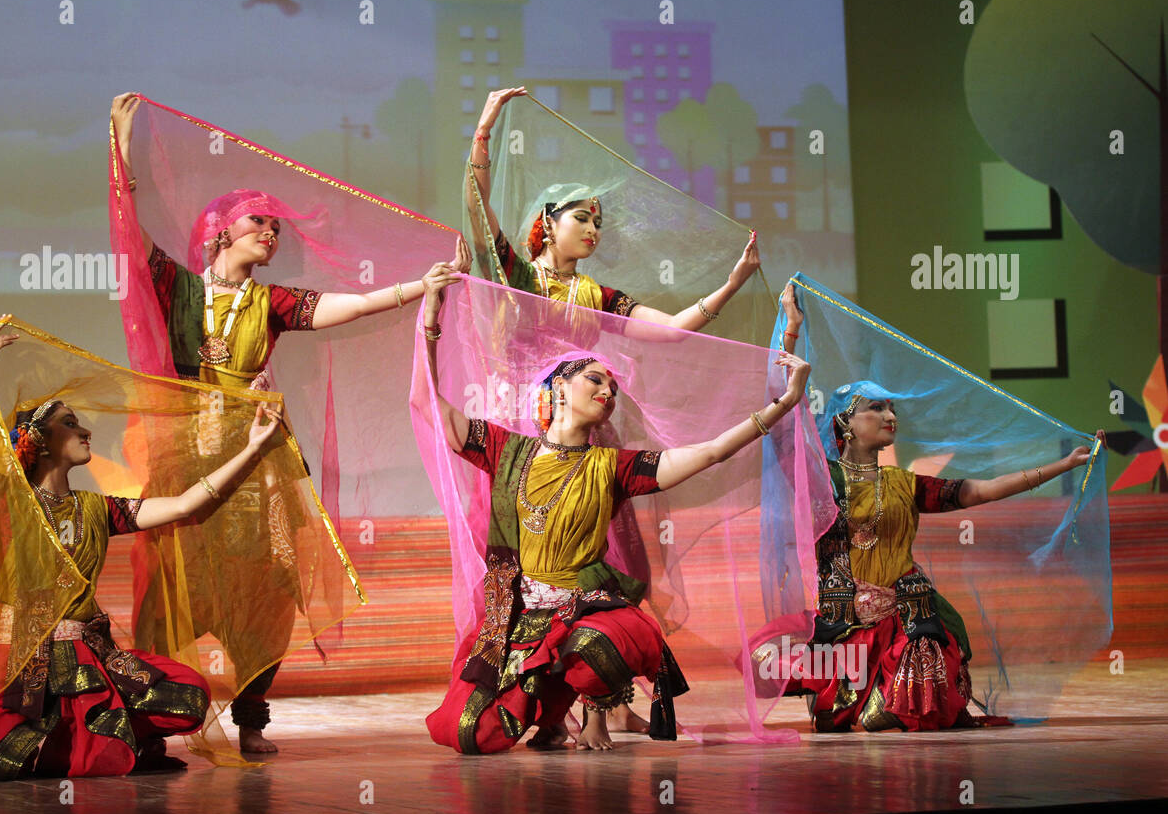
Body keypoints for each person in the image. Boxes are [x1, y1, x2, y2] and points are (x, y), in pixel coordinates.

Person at [110, 92, 468, 752]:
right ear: (221, 231)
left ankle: (250, 717)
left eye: (275, 228)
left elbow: (353, 306)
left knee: (269, 582)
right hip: (187, 454)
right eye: (259, 224)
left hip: (257, 461)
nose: (271, 235)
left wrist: (423, 285)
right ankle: (151, 719)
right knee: (172, 584)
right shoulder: (178, 288)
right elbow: (129, 237)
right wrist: (122, 151)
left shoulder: (270, 302)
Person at [418, 281, 812, 752]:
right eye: (595, 379)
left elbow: (709, 454)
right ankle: (552, 717)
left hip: (583, 609)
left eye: (612, 386)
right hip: (518, 617)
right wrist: (429, 324)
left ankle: (595, 716)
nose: (608, 390)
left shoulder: (615, 468)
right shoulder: (506, 449)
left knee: (598, 642)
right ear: (558, 387)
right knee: (467, 733)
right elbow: (429, 405)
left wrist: (784, 403)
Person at [0, 318, 283, 779]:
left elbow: (186, 503)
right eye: (69, 424)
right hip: (23, 658)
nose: (85, 432)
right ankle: (79, 743)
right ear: (39, 442)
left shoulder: (99, 509)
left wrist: (253, 449)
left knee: (190, 696)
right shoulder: (10, 503)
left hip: (89, 654)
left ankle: (82, 743)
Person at [760, 285, 1101, 730]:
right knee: (765, 657)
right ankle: (848, 689)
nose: (890, 416)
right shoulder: (822, 480)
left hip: (907, 616)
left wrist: (1062, 465)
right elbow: (783, 423)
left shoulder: (905, 484)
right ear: (844, 420)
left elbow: (983, 490)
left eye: (892, 409)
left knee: (898, 705)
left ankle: (882, 694)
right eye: (875, 409)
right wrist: (791, 331)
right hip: (844, 620)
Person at [465, 87, 761, 328]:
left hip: (582, 398)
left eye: (597, 223)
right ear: (549, 223)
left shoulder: (598, 298)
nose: (592, 229)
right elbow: (478, 207)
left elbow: (672, 329)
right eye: (581, 218)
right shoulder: (518, 276)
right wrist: (483, 131)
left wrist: (732, 285)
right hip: (524, 400)